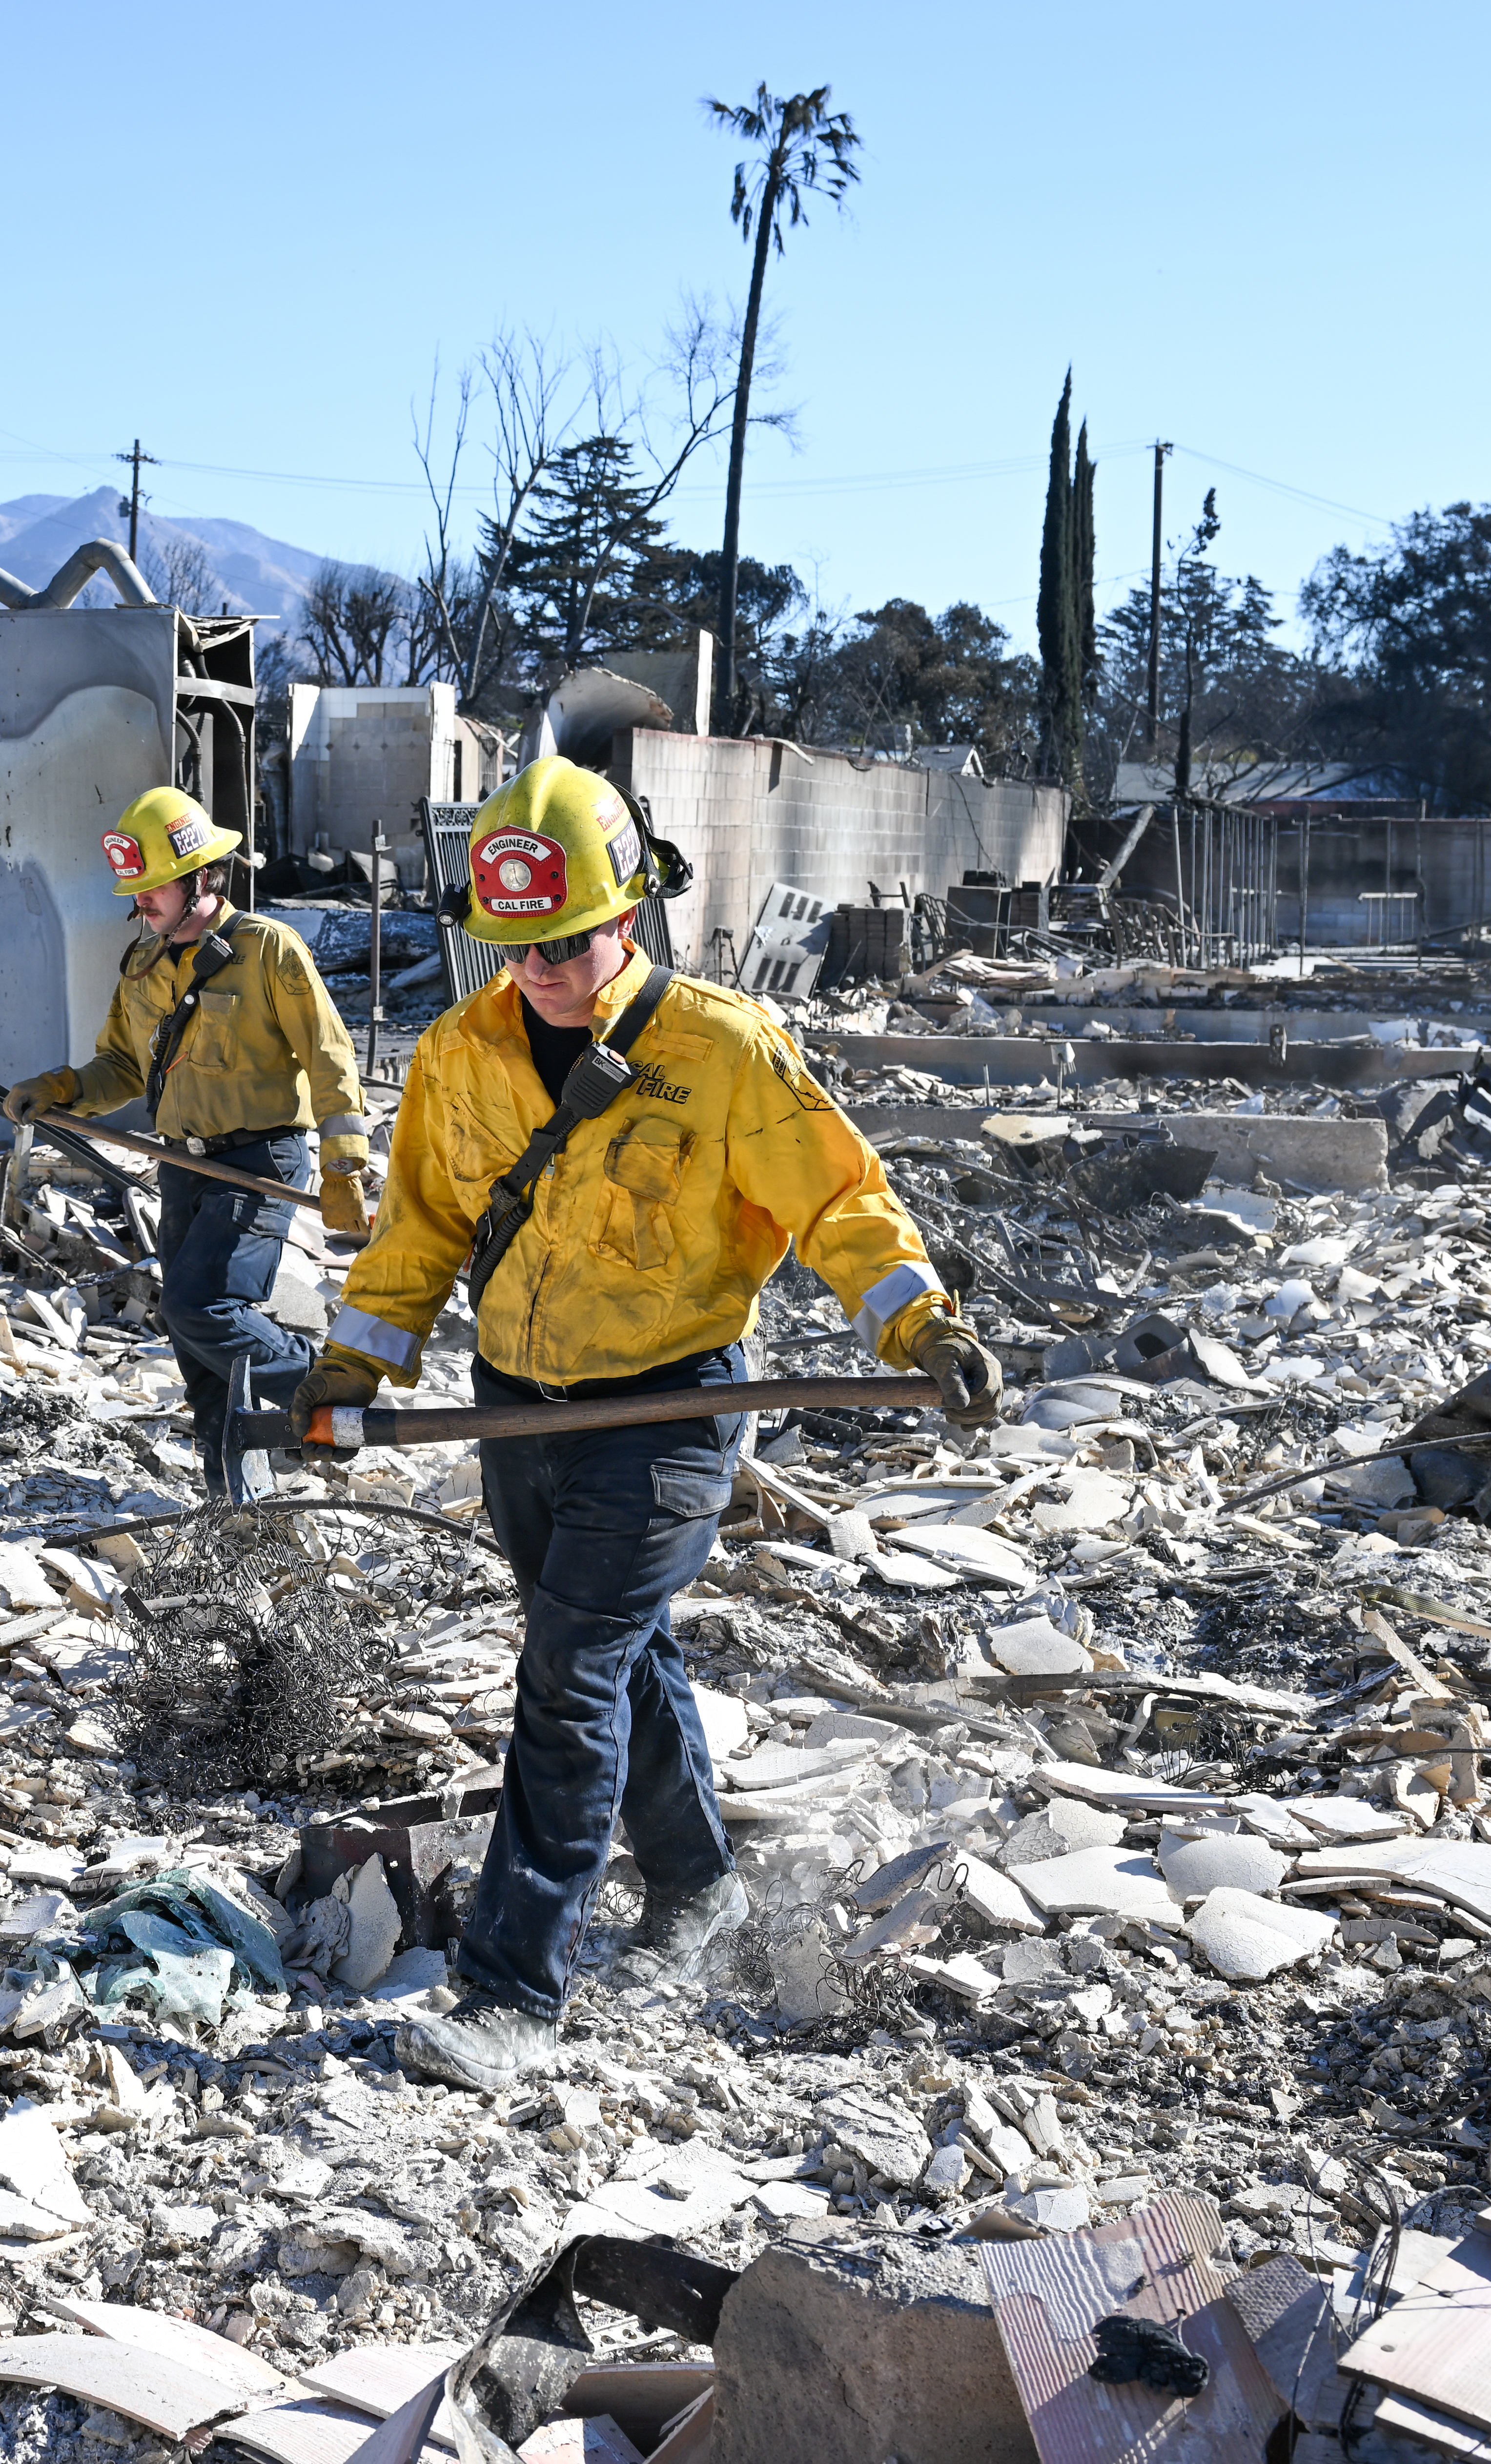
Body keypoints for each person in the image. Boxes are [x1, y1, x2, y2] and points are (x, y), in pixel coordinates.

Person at [286, 755, 1004, 2092]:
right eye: (514, 947)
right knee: (616, 1656)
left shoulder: (721, 1049)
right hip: (518, 1408)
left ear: (629, 911)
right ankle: (699, 1886)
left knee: (566, 1676)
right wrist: (350, 1371)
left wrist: (922, 1329)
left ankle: (510, 1990)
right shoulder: (459, 1051)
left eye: (565, 943)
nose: (539, 971)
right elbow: (422, 1233)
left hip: (669, 1413)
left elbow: (839, 1205)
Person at [2, 786, 374, 1502]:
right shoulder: (144, 965)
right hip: (183, 1163)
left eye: (154, 886)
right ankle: (235, 1493)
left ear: (202, 878)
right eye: (135, 889)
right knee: (197, 1346)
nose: (140, 900)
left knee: (203, 1309)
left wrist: (344, 1166)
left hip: (260, 1160)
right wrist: (60, 1088)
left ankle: (326, 1390)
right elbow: (122, 1068)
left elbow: (330, 1058)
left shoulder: (267, 950)